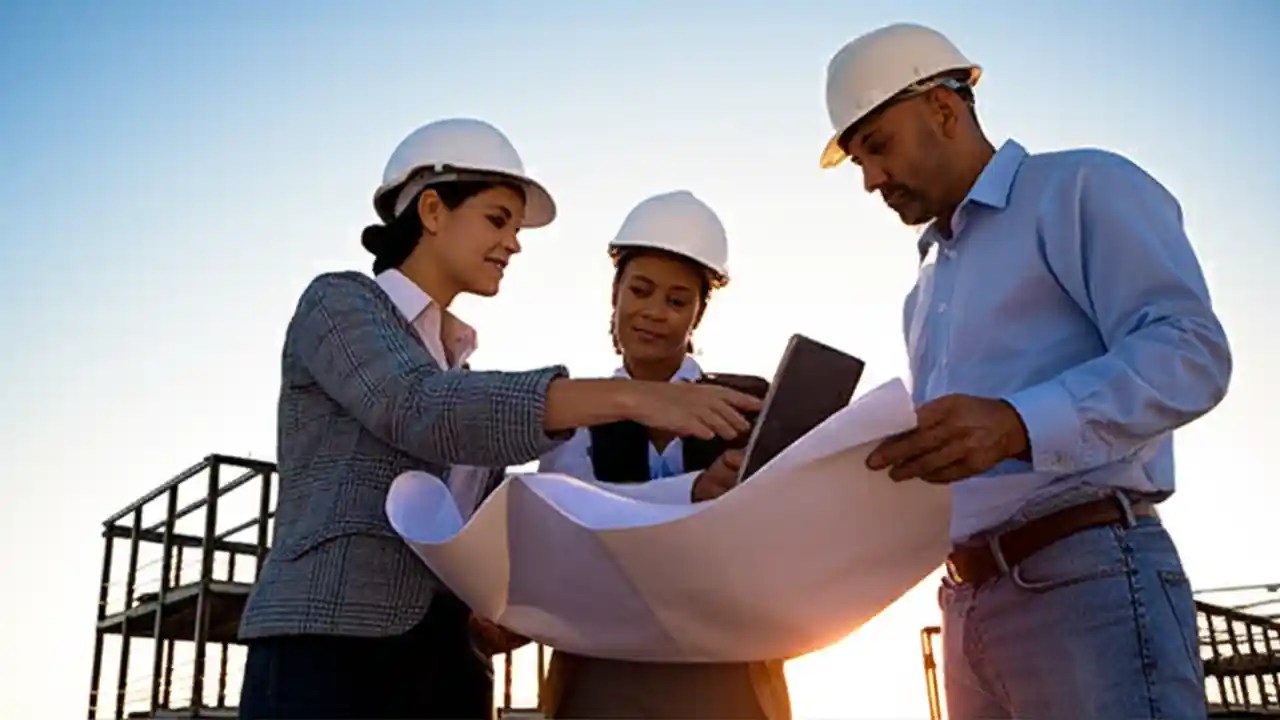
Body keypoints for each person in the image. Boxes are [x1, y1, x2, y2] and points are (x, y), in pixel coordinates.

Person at [235, 119, 762, 720]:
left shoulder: (460, 367)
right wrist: (635, 398)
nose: (513, 243)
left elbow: (513, 518)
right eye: (498, 220)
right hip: (332, 652)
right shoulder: (337, 303)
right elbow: (415, 406)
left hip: (448, 662)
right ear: (432, 210)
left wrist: (517, 605)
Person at [819, 23, 1232, 719]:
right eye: (860, 161)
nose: (870, 181)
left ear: (943, 109)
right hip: (966, 602)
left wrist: (1016, 424)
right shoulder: (924, 293)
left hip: (1086, 584)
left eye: (878, 146)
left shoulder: (1081, 187)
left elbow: (1190, 351)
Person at [536, 190, 792, 720]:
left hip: (725, 670)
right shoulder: (575, 412)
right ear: (615, 294)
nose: (654, 313)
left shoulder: (752, 405)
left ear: (698, 314)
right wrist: (694, 492)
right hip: (602, 669)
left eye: (677, 302)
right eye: (640, 291)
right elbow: (567, 516)